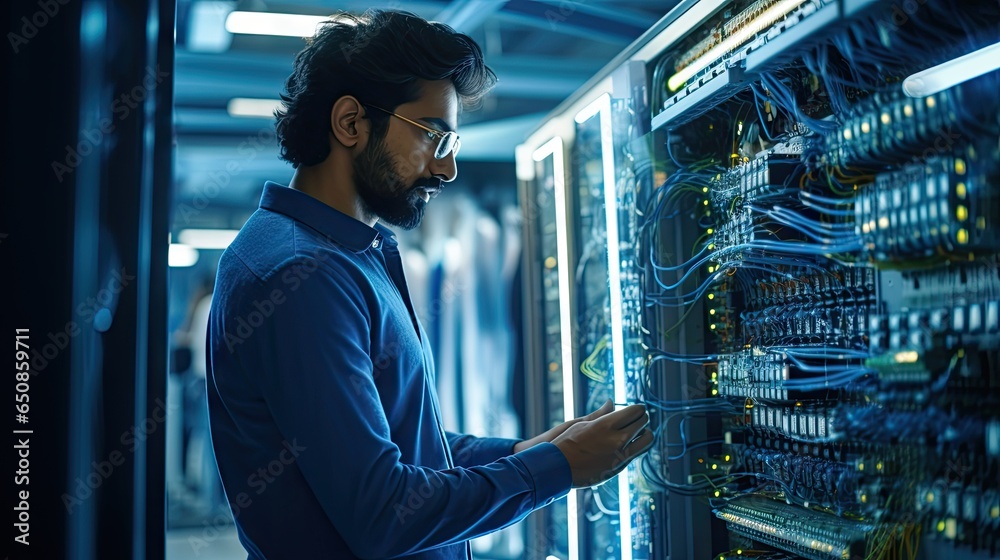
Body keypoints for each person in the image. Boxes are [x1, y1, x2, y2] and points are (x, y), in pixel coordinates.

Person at [205, 9, 653, 560]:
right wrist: (556, 470)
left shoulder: (347, 254)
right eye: (434, 137)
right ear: (351, 123)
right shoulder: (302, 276)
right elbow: (383, 512)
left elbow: (398, 443)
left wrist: (525, 451)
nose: (447, 170)